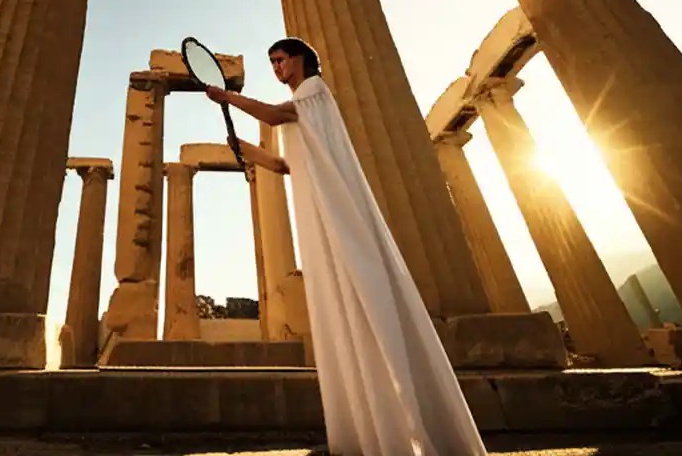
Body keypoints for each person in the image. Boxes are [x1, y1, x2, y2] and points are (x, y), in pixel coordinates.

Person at [205, 37, 487, 456]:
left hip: (339, 212)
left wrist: (227, 96)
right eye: (273, 64)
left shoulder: (313, 91)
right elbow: (286, 166)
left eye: (280, 60)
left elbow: (276, 113)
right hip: (317, 215)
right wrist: (245, 151)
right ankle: (363, 430)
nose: (277, 69)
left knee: (364, 296)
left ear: (299, 59)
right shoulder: (301, 106)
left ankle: (403, 431)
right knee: (337, 306)